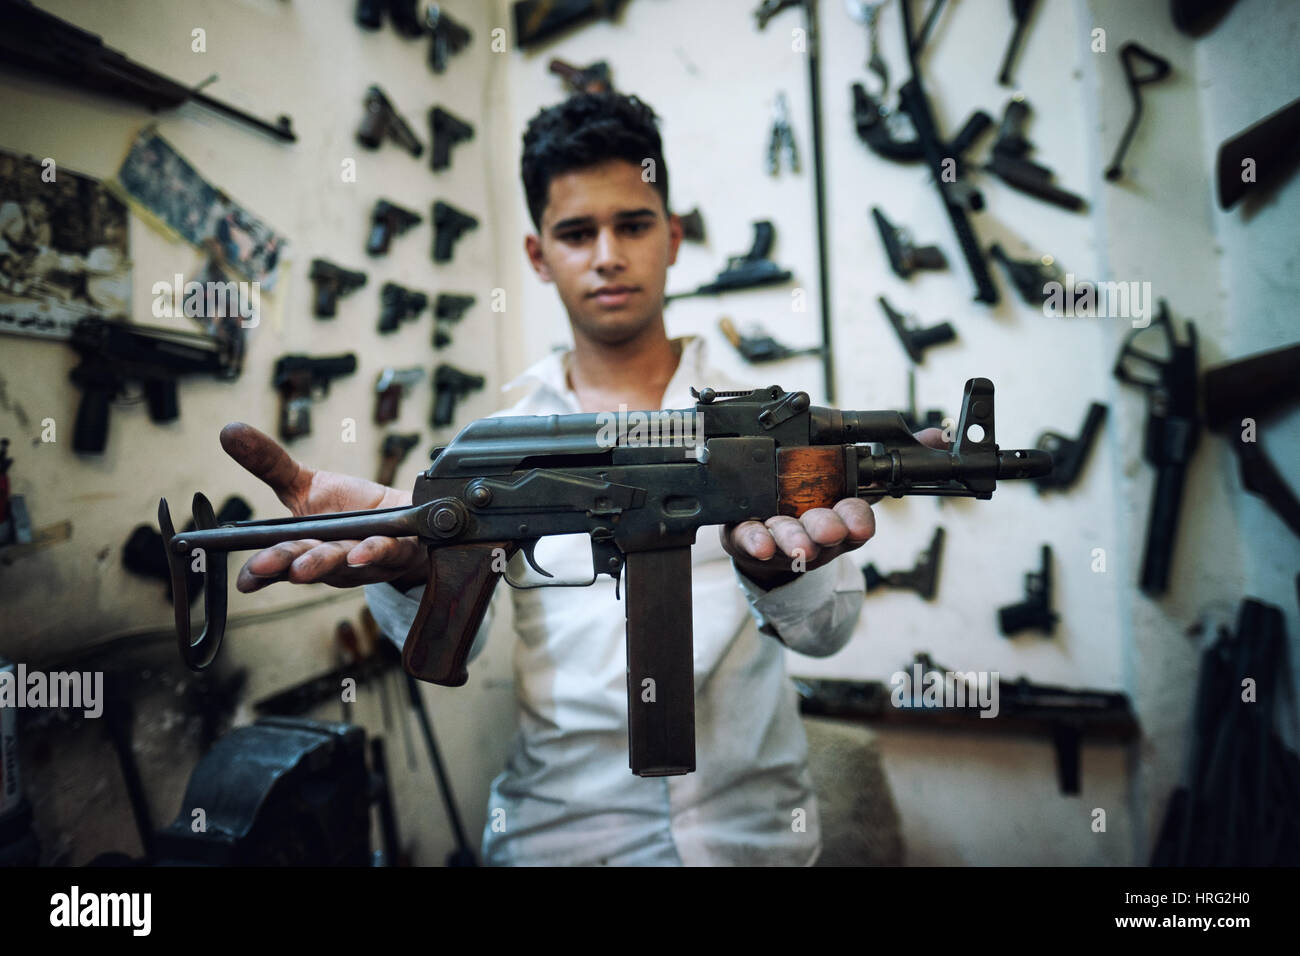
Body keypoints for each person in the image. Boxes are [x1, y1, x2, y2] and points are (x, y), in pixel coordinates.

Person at [220, 91, 947, 865]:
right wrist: (404, 569)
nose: (607, 254)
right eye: (576, 232)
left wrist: (782, 573)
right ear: (538, 255)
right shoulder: (492, 444)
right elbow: (445, 643)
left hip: (751, 838)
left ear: (672, 236)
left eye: (632, 225)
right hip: (560, 837)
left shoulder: (762, 428)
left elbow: (828, 634)